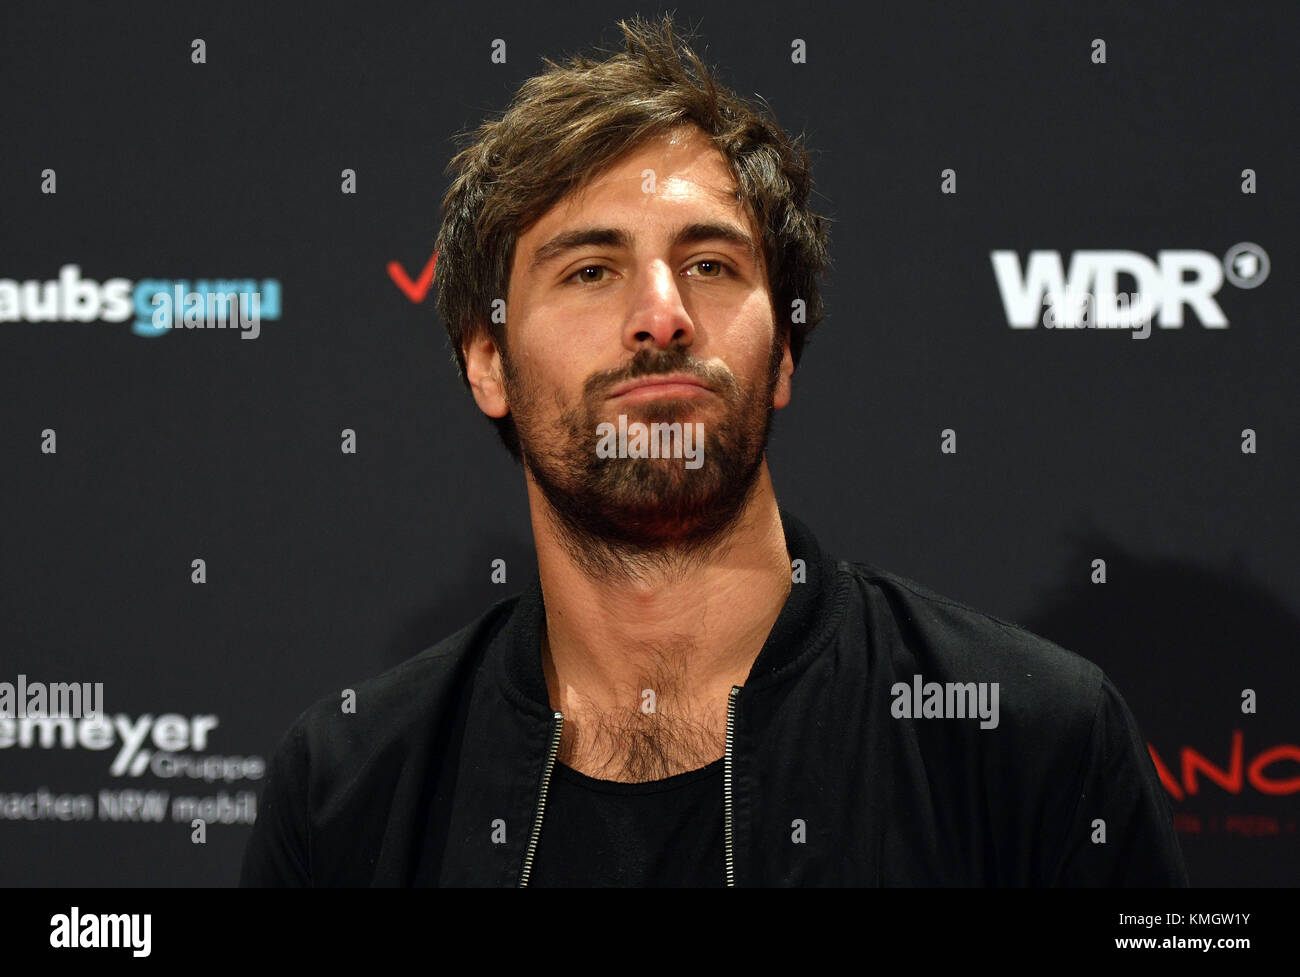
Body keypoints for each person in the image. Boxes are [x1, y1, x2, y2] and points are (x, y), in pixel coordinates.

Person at [239, 14, 1188, 887]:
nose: (661, 317)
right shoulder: (347, 787)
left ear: (781, 353)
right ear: (487, 361)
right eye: (591, 270)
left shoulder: (1033, 742)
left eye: (710, 264)